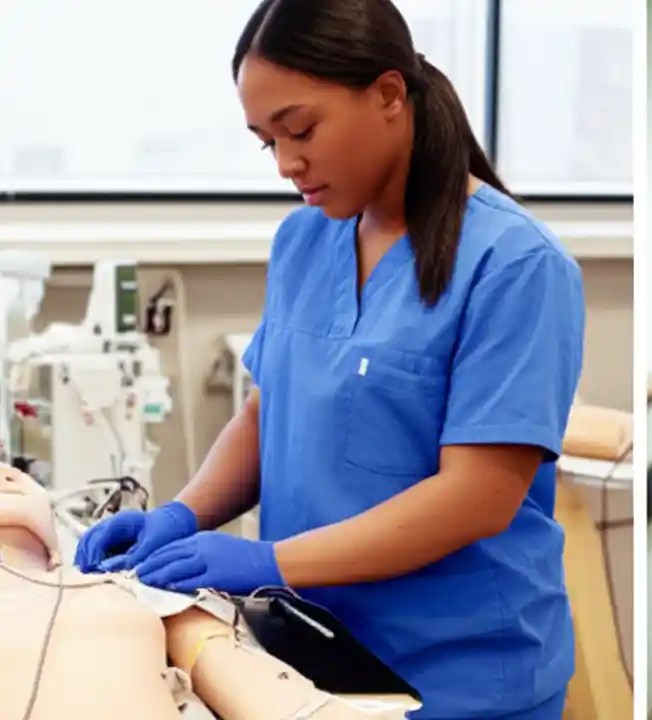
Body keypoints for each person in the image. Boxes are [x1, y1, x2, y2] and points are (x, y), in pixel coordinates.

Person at [73, 1, 585, 718]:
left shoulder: (516, 265)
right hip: (309, 655)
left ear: (387, 95)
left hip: (459, 677)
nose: (287, 163)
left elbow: (478, 496)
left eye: (301, 129)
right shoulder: (304, 241)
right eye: (266, 143)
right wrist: (186, 512)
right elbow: (268, 408)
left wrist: (269, 562)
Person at [0, 464, 403, 719]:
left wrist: (264, 560)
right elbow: (261, 409)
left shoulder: (134, 596)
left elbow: (291, 709)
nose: (6, 475)